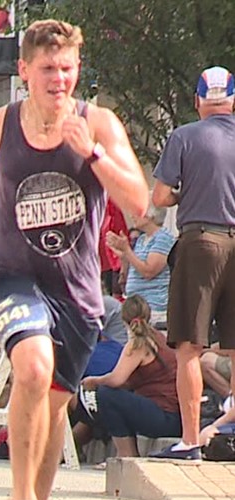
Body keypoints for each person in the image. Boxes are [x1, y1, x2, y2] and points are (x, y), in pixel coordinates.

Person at [0, 19, 149, 500]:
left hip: (78, 294)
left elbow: (140, 203)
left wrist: (95, 157)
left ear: (77, 70)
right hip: (12, 274)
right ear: (24, 73)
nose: (58, 80)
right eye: (47, 70)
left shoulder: (97, 123)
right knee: (31, 371)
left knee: (54, 406)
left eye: (67, 69)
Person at [149, 66, 235, 460]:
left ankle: (189, 441)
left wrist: (189, 193)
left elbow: (161, 196)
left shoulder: (184, 136)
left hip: (200, 241)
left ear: (199, 100)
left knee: (189, 347)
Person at [73, 295, 180, 457]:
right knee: (118, 398)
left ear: (124, 321)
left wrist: (94, 381)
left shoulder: (138, 343)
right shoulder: (160, 338)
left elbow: (116, 379)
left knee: (106, 395)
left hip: (163, 416)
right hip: (172, 416)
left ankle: (126, 453)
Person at [107, 208, 173, 322]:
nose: (132, 216)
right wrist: (124, 257)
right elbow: (133, 270)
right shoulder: (141, 239)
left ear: (151, 216)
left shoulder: (163, 238)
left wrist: (127, 250)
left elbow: (149, 271)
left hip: (154, 310)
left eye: (137, 213)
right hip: (136, 309)